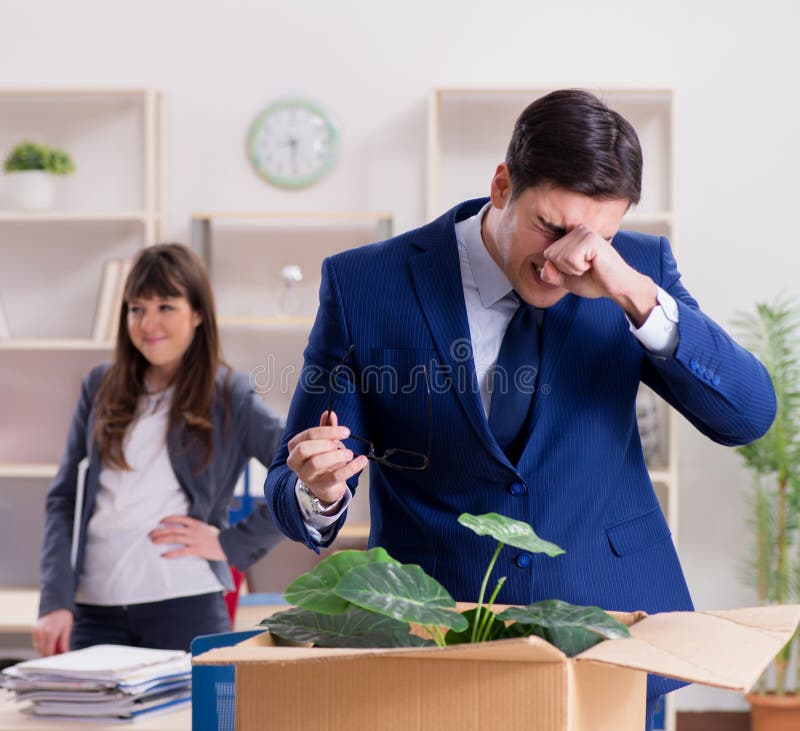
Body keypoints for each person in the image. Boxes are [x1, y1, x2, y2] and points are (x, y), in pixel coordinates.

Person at [264, 89, 776, 729]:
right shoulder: (368, 283)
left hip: (610, 633)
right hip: (441, 639)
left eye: (598, 235)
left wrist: (634, 295)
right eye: (552, 228)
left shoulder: (637, 270)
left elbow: (748, 416)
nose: (566, 260)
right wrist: (319, 490)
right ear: (502, 184)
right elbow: (290, 483)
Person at [34, 244, 285, 656]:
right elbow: (64, 500)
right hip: (95, 610)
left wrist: (230, 544)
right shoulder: (99, 386)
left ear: (198, 313)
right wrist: (55, 600)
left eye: (166, 306)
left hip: (186, 606)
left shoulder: (229, 394)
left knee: (190, 722)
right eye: (137, 309)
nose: (148, 323)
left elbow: (301, 478)